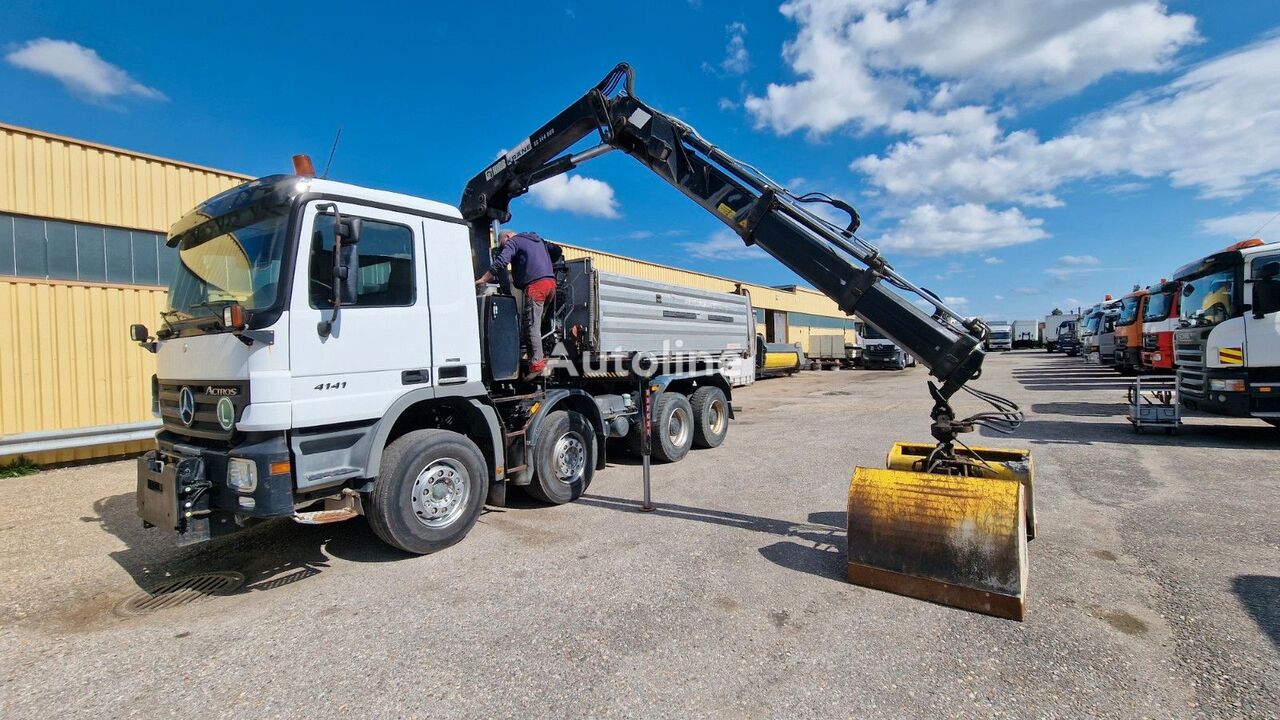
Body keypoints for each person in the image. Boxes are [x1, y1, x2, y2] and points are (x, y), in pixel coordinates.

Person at [475, 230, 562, 376]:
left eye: (503, 245)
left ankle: (536, 365)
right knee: (536, 323)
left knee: (531, 326)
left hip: (536, 286)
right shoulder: (538, 241)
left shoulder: (514, 241)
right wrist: (545, 262)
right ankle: (536, 356)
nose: (504, 248)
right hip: (551, 284)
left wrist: (483, 279)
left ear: (507, 237)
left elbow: (501, 262)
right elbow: (558, 250)